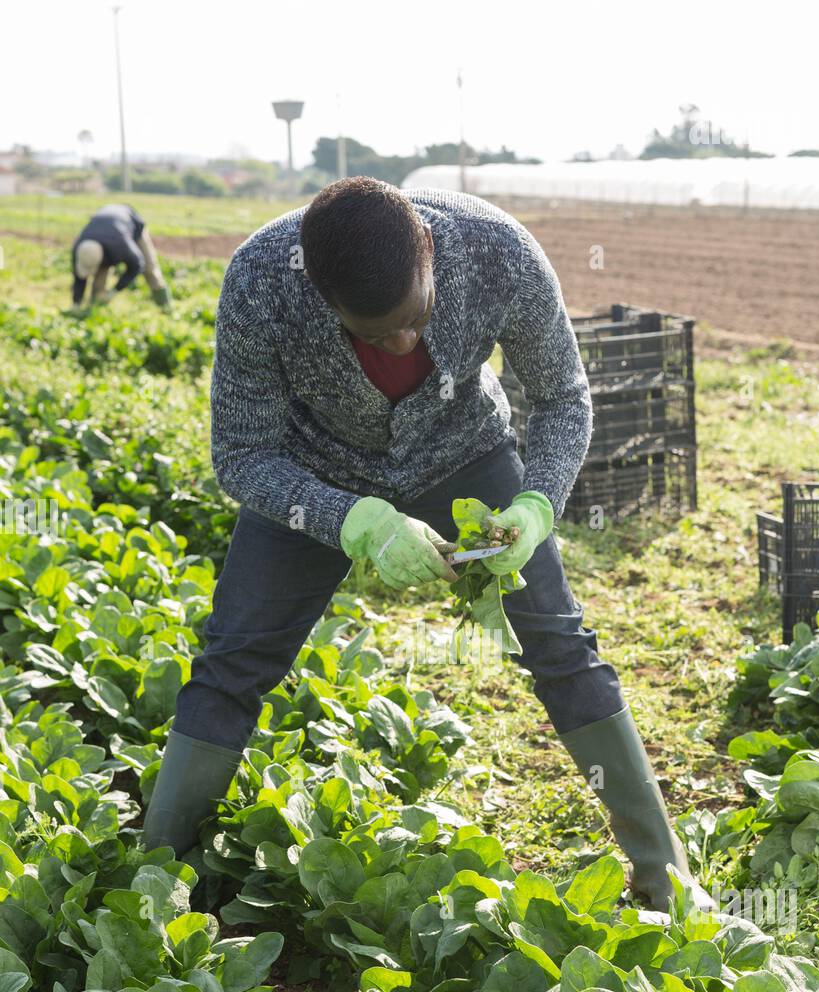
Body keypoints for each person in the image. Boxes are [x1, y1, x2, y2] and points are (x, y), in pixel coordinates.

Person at [143, 176, 706, 910]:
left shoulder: (500, 253)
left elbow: (562, 396)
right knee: (234, 658)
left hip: (462, 452)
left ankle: (665, 878)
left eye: (414, 317)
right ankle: (156, 884)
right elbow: (242, 455)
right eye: (375, 334)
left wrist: (536, 507)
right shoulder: (258, 280)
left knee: (561, 645)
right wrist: (355, 520)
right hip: (316, 471)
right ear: (320, 292)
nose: (402, 341)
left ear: (431, 254)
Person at [71, 203, 171, 308]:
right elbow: (79, 277)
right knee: (99, 280)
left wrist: (115, 290)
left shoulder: (121, 246)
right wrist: (76, 303)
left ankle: (165, 305)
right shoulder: (80, 248)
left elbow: (137, 265)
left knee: (149, 268)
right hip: (107, 231)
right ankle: (93, 308)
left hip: (131, 225)